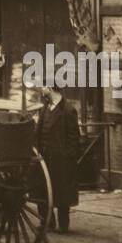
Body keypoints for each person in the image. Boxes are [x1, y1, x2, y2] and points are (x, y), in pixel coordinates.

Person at [34, 84, 80, 233]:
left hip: (61, 160)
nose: (41, 90)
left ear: (50, 88)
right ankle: (47, 222)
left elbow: (74, 138)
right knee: (42, 191)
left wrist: (68, 159)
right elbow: (38, 134)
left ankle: (63, 224)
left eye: (43, 87)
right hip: (43, 159)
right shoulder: (44, 109)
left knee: (62, 192)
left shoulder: (68, 110)